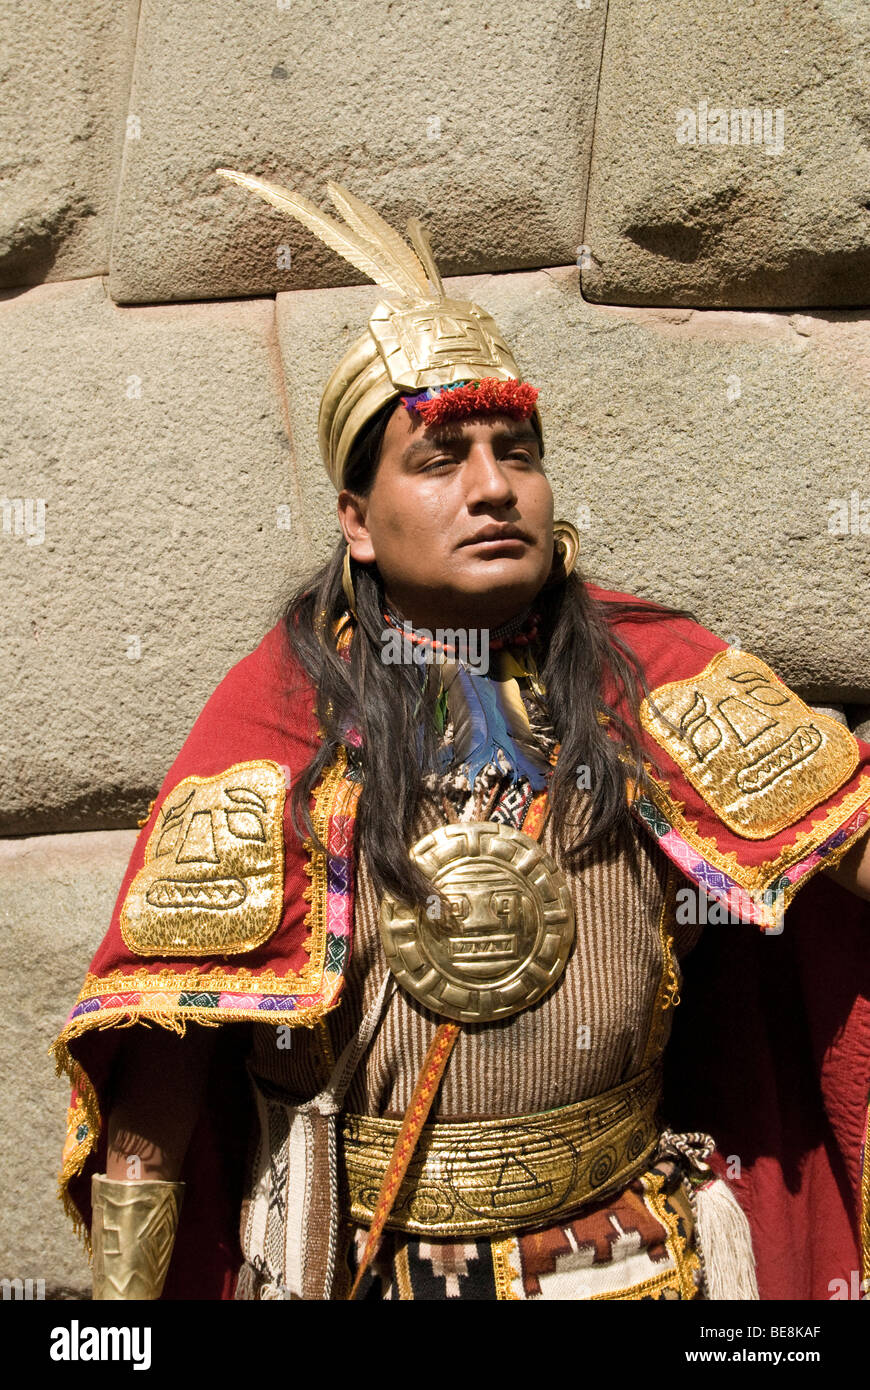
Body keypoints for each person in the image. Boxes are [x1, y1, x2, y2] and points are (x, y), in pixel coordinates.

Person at [53, 175, 870, 1302]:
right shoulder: (273, 727)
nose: (494, 488)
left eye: (518, 452)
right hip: (360, 1265)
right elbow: (168, 1047)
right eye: (441, 459)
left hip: (632, 1257)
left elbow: (848, 844)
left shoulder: (658, 671)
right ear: (357, 520)